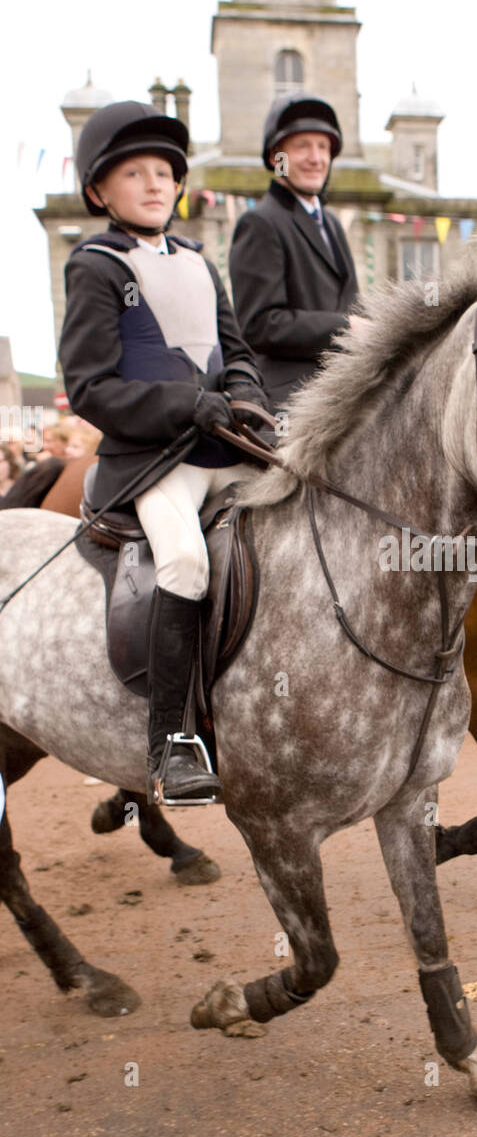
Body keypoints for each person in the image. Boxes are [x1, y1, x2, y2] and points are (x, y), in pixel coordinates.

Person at [59, 100, 268, 804]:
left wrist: (248, 404)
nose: (154, 184)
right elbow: (89, 387)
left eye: (164, 173)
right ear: (99, 192)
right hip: (154, 461)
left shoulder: (202, 264)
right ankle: (172, 743)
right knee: (183, 560)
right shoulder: (93, 266)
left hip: (226, 447)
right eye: (133, 173)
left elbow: (237, 355)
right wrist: (184, 405)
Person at [229, 94, 362, 407]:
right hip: (290, 396)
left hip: (343, 384)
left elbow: (352, 304)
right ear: (278, 158)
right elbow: (260, 324)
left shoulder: (330, 222)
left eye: (323, 147)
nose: (316, 158)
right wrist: (345, 328)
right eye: (302, 146)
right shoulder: (259, 222)